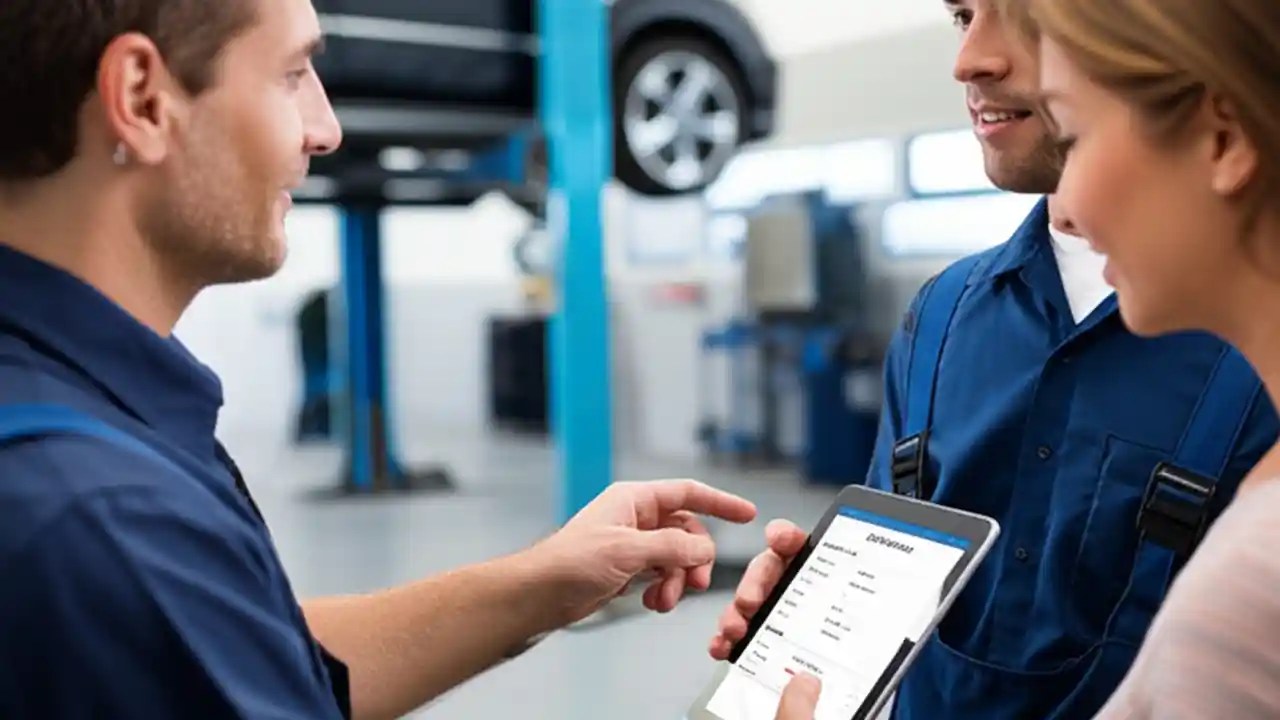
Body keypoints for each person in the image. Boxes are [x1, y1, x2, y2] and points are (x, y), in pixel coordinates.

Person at [0, 2, 762, 718]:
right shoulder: (100, 520)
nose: (325, 128)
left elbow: (241, 653)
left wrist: (543, 584)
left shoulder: (65, 418)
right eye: (291, 75)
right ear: (142, 98)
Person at [714, 1, 1280, 719]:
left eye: (1076, 132)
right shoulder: (939, 314)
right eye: (961, 15)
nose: (968, 61)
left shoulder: (1248, 370)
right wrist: (825, 630)